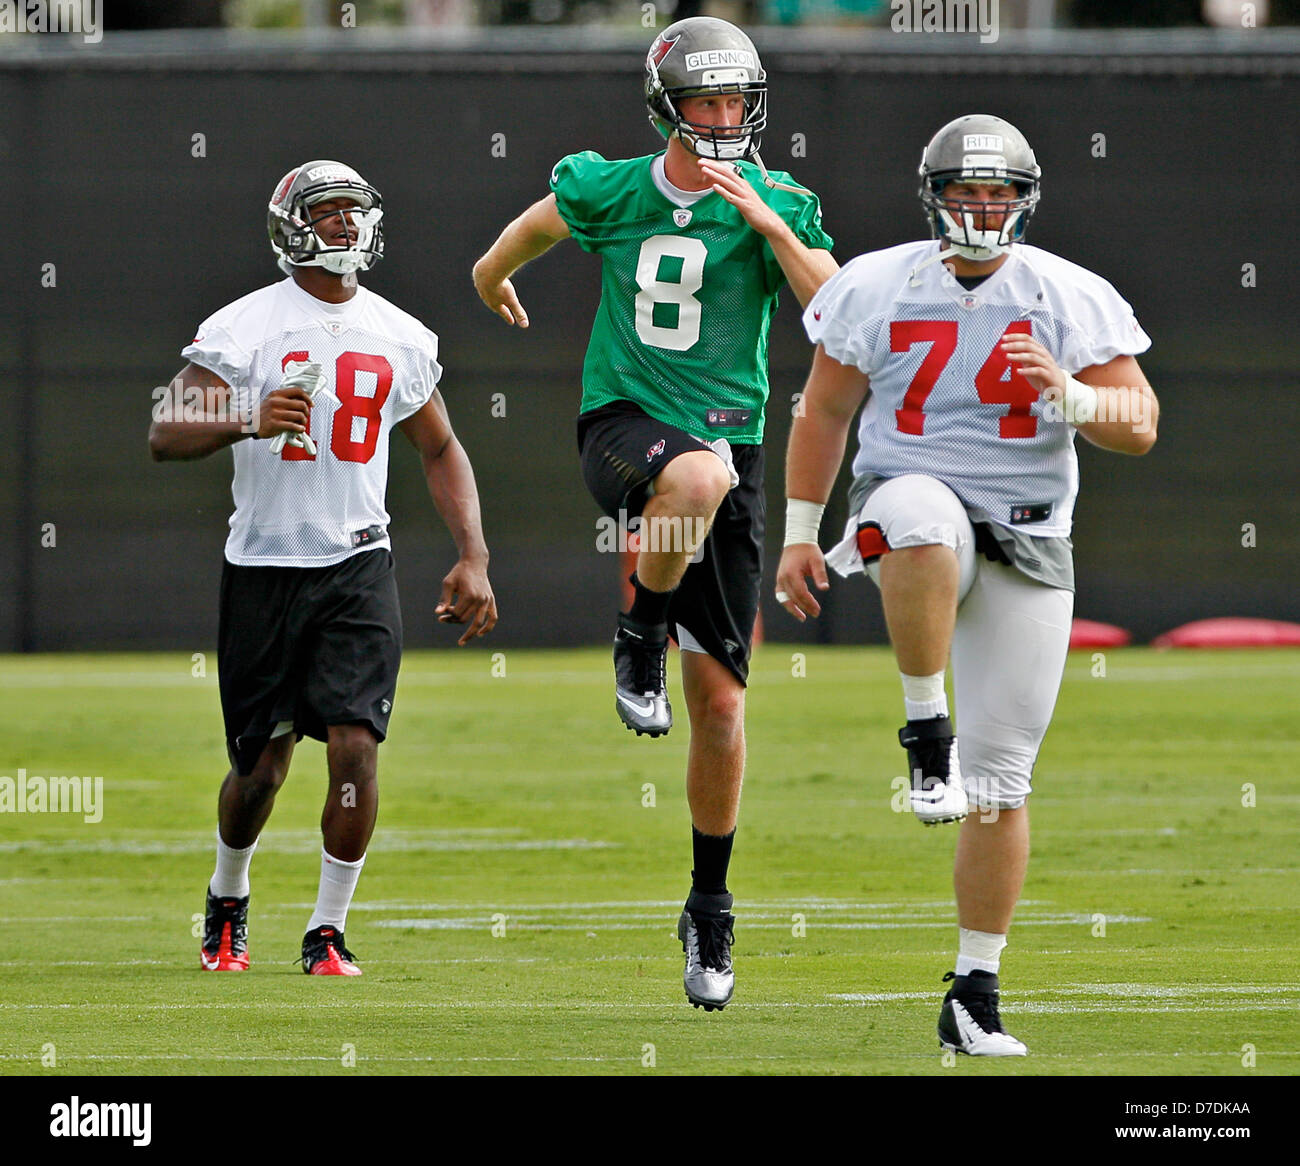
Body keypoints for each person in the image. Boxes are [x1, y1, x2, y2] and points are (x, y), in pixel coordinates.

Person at [472, 17, 836, 1010]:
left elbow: (835, 308)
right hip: (623, 425)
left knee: (721, 705)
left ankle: (708, 903)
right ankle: (639, 629)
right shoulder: (614, 185)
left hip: (732, 439)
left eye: (733, 102)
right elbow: (533, 227)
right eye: (703, 102)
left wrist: (767, 223)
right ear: (666, 107)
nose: (721, 119)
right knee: (694, 481)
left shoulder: (779, 197)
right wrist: (489, 277)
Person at [776, 115, 1158, 1054]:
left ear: (1023, 201)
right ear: (933, 196)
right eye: (965, 194)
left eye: (997, 195)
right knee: (915, 513)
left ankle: (973, 992)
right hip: (912, 506)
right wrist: (798, 532)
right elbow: (825, 409)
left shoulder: (1067, 293)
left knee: (1002, 784)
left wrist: (1070, 396)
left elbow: (1140, 422)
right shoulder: (877, 281)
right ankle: (922, 725)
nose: (981, 212)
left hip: (1030, 538)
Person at [149, 159, 497, 976]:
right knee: (260, 768)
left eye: (354, 211)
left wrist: (473, 555)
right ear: (292, 226)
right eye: (328, 211)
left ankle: (327, 930)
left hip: (356, 562)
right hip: (264, 566)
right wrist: (246, 416)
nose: (345, 225)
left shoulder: (399, 334)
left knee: (355, 747)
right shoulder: (245, 327)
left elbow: (440, 445)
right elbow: (165, 431)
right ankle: (228, 896)